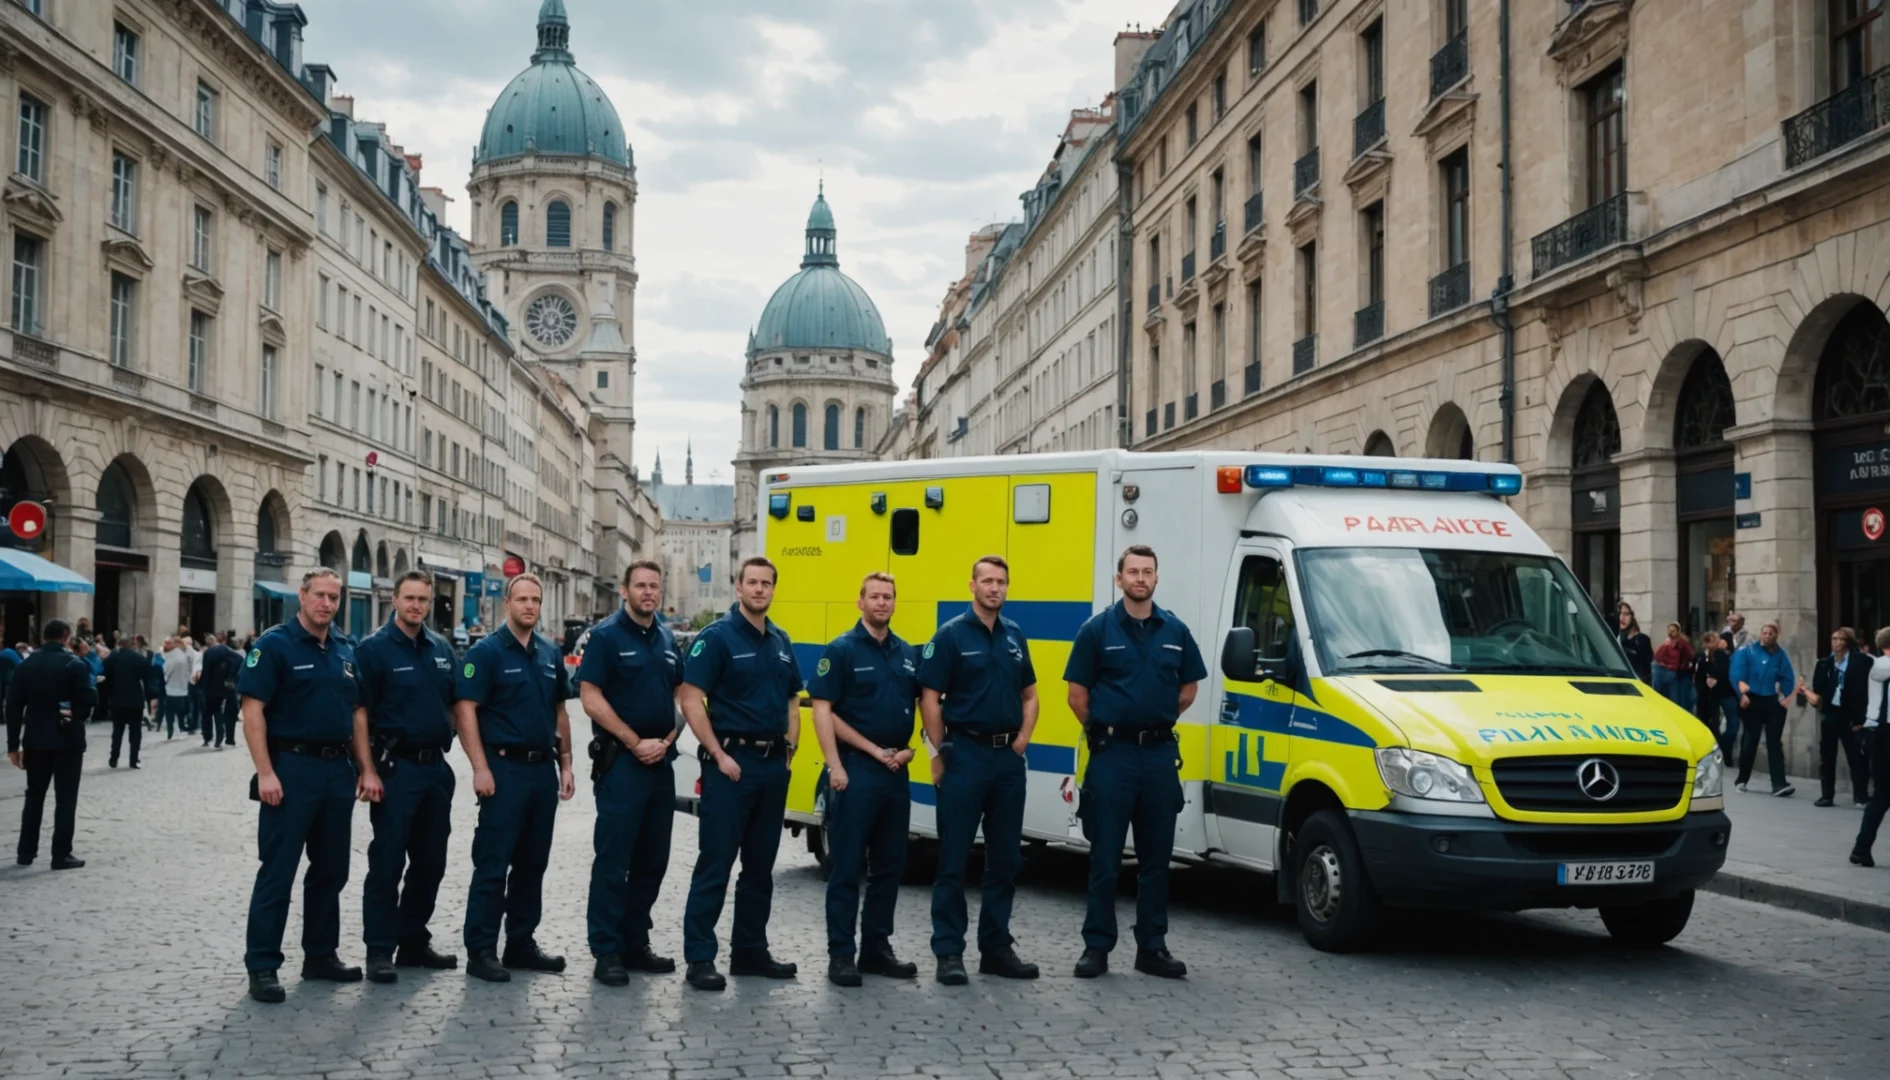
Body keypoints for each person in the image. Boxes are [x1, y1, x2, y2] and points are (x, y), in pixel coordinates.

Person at [1063, 546, 1205, 981]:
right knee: (1104, 858)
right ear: (1118, 578)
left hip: (1159, 757)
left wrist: (1155, 722)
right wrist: (1108, 730)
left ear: (1157, 579)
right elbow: (1076, 695)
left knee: (1157, 860)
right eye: (1132, 571)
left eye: (1147, 572)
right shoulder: (1096, 630)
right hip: (1113, 756)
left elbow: (1188, 687)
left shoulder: (1175, 631)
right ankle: (1097, 948)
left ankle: (1153, 947)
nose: (1140, 578)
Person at [238, 569, 365, 1003]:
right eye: (320, 595)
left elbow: (355, 716)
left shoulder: (347, 649)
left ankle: (320, 956)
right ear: (303, 596)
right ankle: (263, 965)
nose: (327, 603)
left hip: (336, 771)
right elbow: (252, 712)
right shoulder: (274, 645)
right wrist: (266, 771)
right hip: (290, 769)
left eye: (334, 597)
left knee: (331, 870)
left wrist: (363, 769)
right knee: (278, 870)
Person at [678, 556, 803, 991]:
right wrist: (717, 754)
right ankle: (699, 957)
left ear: (773, 589)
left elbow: (792, 700)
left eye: (766, 583)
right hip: (730, 766)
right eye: (752, 582)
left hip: (771, 766)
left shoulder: (781, 641)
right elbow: (691, 699)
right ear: (738, 587)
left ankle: (750, 951)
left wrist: (789, 751)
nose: (759, 589)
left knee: (760, 867)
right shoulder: (716, 639)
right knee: (716, 863)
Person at [920, 555, 1041, 986]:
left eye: (1001, 582)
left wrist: (1022, 742)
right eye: (987, 581)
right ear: (972, 585)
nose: (994, 588)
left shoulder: (1014, 636)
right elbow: (929, 697)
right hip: (966, 755)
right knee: (953, 859)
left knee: (1005, 859)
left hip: (1006, 761)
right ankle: (949, 951)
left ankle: (996, 948)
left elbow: (1030, 694)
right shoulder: (950, 636)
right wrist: (941, 748)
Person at [456, 573, 575, 983]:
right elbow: (465, 710)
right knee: (493, 861)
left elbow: (559, 710)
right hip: (503, 769)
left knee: (532, 863)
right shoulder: (485, 653)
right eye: (521, 598)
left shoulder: (549, 653)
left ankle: (521, 943)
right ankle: (482, 949)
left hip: (541, 769)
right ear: (507, 603)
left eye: (535, 600)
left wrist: (567, 763)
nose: (529, 606)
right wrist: (480, 767)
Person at [808, 572, 922, 988]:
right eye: (874, 596)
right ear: (860, 602)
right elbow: (823, 710)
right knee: (846, 865)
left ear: (895, 602)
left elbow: (924, 705)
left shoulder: (907, 653)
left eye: (888, 597)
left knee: (890, 866)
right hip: (857, 770)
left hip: (896, 772)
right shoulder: (840, 650)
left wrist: (913, 750)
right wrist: (836, 765)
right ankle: (841, 954)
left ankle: (876, 948)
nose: (881, 603)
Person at [353, 571, 461, 984]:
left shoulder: (441, 648)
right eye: (409, 598)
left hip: (435, 770)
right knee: (387, 861)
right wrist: (367, 769)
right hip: (395, 769)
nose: (416, 605)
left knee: (430, 861)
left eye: (423, 599)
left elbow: (457, 703)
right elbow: (359, 713)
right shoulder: (373, 650)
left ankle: (412, 939)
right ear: (394, 600)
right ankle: (380, 948)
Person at [581, 561, 684, 987]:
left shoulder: (665, 636)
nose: (647, 593)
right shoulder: (605, 637)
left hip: (660, 763)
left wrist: (667, 737)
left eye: (654, 586)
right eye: (640, 586)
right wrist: (632, 740)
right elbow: (590, 697)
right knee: (613, 859)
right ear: (624, 590)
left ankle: (635, 942)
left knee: (652, 860)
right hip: (622, 762)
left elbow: (679, 692)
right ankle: (606, 950)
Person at [7, 619, 97, 870]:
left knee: (34, 796)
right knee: (66, 798)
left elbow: (13, 706)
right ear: (67, 636)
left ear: (44, 637)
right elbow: (90, 698)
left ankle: (25, 852)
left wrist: (12, 745)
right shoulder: (74, 664)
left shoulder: (27, 664)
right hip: (67, 740)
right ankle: (61, 854)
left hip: (35, 740)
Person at [1806, 627, 1872, 808]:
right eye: (1833, 638)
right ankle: (1827, 795)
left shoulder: (1861, 662)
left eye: (1840, 639)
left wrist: (1863, 719)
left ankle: (1860, 797)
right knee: (1827, 757)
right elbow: (1818, 691)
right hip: (1830, 714)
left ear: (1848, 642)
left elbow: (1868, 692)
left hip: (1852, 717)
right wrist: (1807, 693)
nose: (1836, 643)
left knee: (1856, 759)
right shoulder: (1824, 664)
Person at [1732, 620, 1798, 797]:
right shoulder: (1749, 651)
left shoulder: (1781, 655)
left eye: (1771, 633)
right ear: (1760, 634)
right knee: (1750, 741)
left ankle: (1779, 784)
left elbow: (1788, 677)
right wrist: (1742, 695)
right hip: (1752, 700)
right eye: (1764, 633)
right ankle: (1742, 780)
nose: (1767, 636)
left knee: (1774, 742)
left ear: (1776, 635)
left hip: (1772, 702)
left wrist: (1786, 696)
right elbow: (1737, 674)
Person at [1851, 628, 1890, 866]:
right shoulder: (1882, 665)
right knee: (1882, 796)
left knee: (1883, 797)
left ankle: (1861, 848)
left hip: (1882, 735)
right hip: (1884, 734)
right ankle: (1861, 847)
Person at [100, 631, 152, 768]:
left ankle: (114, 757)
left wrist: (110, 694)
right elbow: (146, 678)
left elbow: (106, 679)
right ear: (131, 644)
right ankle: (133, 760)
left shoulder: (111, 658)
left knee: (117, 731)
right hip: (135, 699)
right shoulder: (139, 659)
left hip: (117, 699)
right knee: (135, 732)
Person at [1693, 631, 1739, 757]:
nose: (1713, 644)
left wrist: (1715, 679)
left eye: (1715, 640)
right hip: (1709, 696)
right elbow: (1697, 677)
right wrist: (1706, 681)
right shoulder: (1701, 658)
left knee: (1733, 725)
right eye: (1709, 641)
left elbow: (1728, 674)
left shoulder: (1725, 656)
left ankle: (1724, 749)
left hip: (1726, 693)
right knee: (1710, 724)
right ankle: (1713, 751)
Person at [200, 632, 242, 749]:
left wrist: (203, 688)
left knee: (212, 712)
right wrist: (232, 676)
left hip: (212, 687)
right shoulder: (225, 650)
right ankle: (229, 738)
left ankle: (209, 736)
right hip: (227, 686)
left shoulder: (208, 653)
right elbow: (239, 659)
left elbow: (206, 672)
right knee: (229, 712)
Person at [1652, 622, 1695, 710]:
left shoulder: (1682, 643)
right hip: (1663, 670)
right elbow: (1657, 657)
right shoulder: (1666, 643)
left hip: (1674, 673)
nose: (1671, 633)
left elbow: (1690, 655)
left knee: (1674, 700)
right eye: (1669, 631)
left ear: (1678, 631)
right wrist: (1664, 646)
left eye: (1673, 631)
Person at [160, 638, 191, 739]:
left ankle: (170, 729)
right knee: (181, 711)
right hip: (183, 688)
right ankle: (182, 726)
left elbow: (167, 671)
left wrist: (163, 680)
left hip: (171, 689)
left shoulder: (172, 657)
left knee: (170, 712)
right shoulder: (183, 656)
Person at [1616, 603, 1654, 684]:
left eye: (1626, 614)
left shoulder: (1642, 639)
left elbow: (1647, 666)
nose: (1622, 617)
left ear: (1632, 617)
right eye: (1620, 614)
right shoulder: (1613, 637)